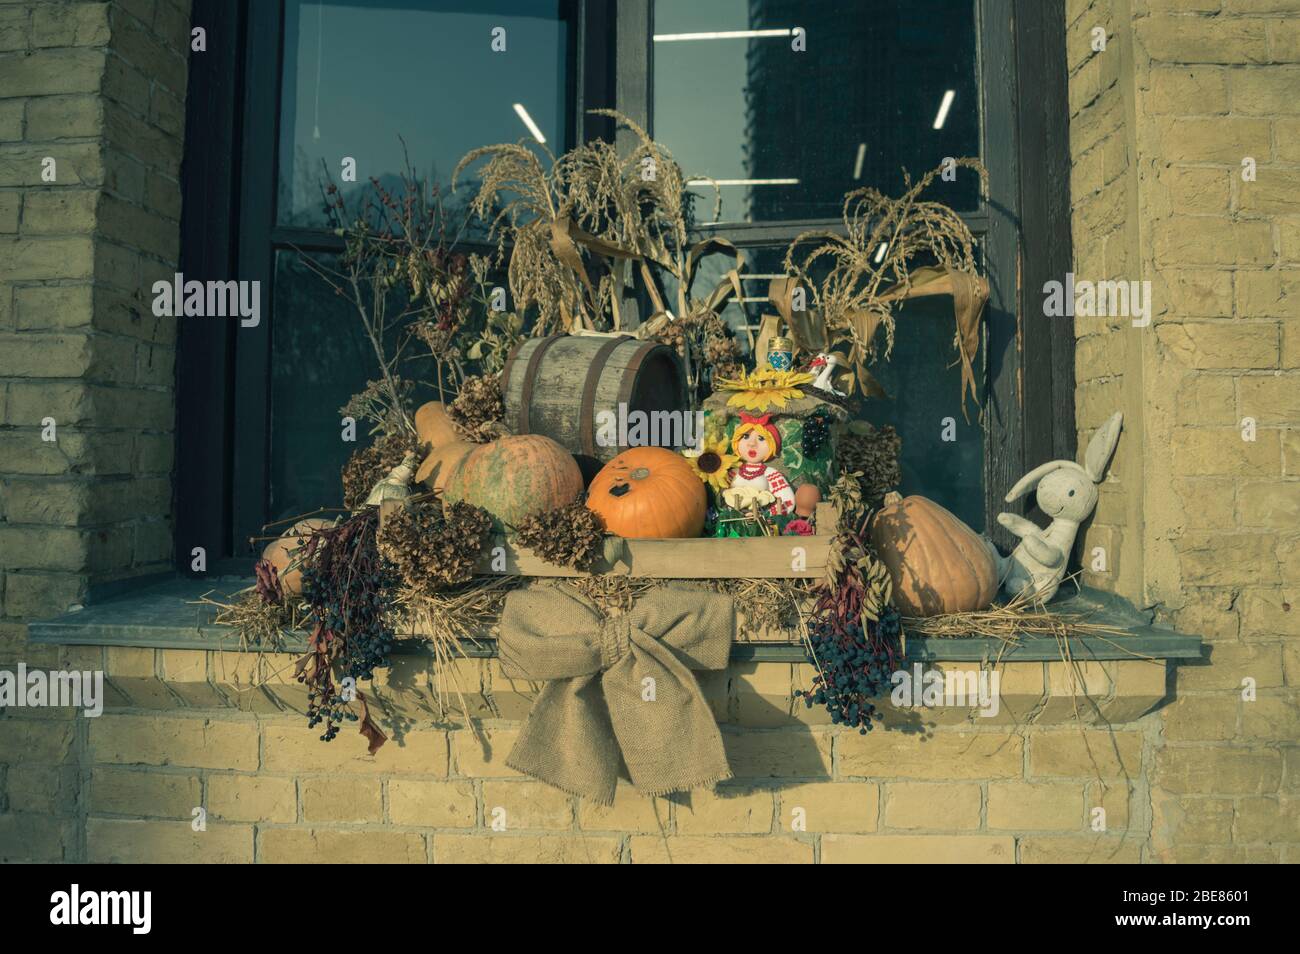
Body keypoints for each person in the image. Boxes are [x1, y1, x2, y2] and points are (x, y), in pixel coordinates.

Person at [728, 413, 796, 515]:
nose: (752, 443)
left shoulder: (771, 474)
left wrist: (770, 515)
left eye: (761, 439)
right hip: (733, 519)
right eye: (746, 436)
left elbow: (787, 500)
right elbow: (721, 496)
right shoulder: (733, 472)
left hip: (761, 519)